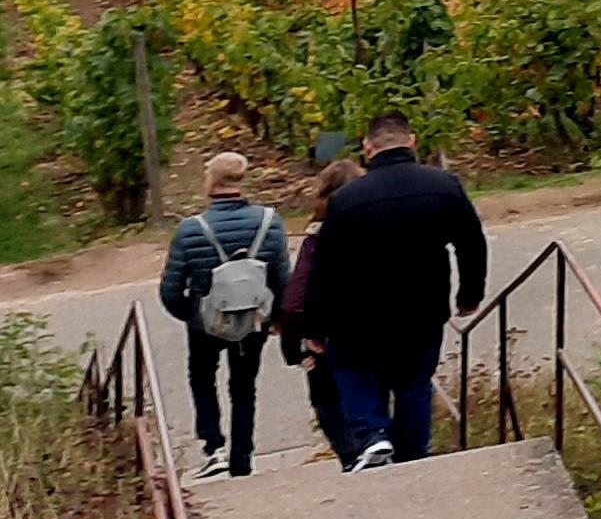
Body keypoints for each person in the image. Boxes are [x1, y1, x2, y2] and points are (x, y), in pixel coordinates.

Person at [297, 113, 487, 467]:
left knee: (354, 370)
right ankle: (415, 454)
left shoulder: (348, 199)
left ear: (369, 148)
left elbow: (326, 266)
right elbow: (471, 243)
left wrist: (315, 326)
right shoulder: (444, 185)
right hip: (422, 306)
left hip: (359, 312)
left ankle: (373, 435)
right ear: (412, 141)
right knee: (414, 380)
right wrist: (469, 295)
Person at [157, 152, 290, 479]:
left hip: (207, 322)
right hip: (253, 319)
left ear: (211, 182)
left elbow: (171, 291)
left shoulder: (190, 230)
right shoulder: (270, 222)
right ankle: (242, 458)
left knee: (202, 378)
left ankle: (213, 447)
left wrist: (193, 315)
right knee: (244, 386)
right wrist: (276, 317)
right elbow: (283, 278)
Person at [277, 156, 366, 468]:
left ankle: (352, 456)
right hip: (380, 325)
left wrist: (294, 349)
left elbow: (294, 304)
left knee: (327, 397)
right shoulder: (378, 227)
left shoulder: (317, 238)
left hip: (329, 335)